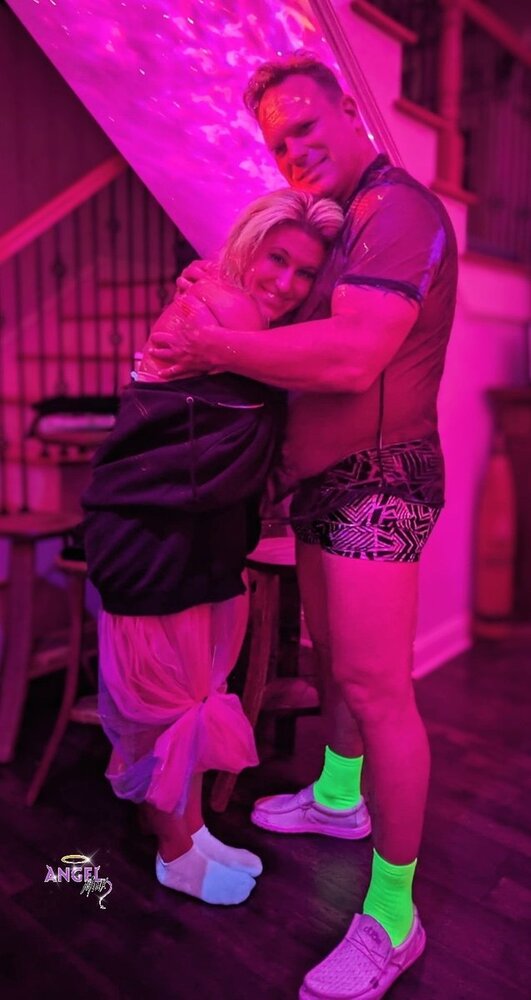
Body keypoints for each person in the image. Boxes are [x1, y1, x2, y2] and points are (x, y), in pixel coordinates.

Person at [148, 51, 458, 998]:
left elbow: (352, 357)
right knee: (334, 664)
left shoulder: (396, 209)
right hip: (326, 485)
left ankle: (392, 917)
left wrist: (214, 341)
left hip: (380, 478)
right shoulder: (344, 224)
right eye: (280, 143)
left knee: (376, 690)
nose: (295, 150)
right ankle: (335, 797)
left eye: (307, 126)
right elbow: (295, 335)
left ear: (349, 110)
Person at [82, 187, 344, 909]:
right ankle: (174, 854)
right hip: (149, 533)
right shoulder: (223, 306)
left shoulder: (247, 322)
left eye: (304, 273)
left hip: (201, 533)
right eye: (277, 259)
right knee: (162, 706)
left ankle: (193, 832)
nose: (285, 284)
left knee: (195, 696)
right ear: (247, 246)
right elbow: (321, 365)